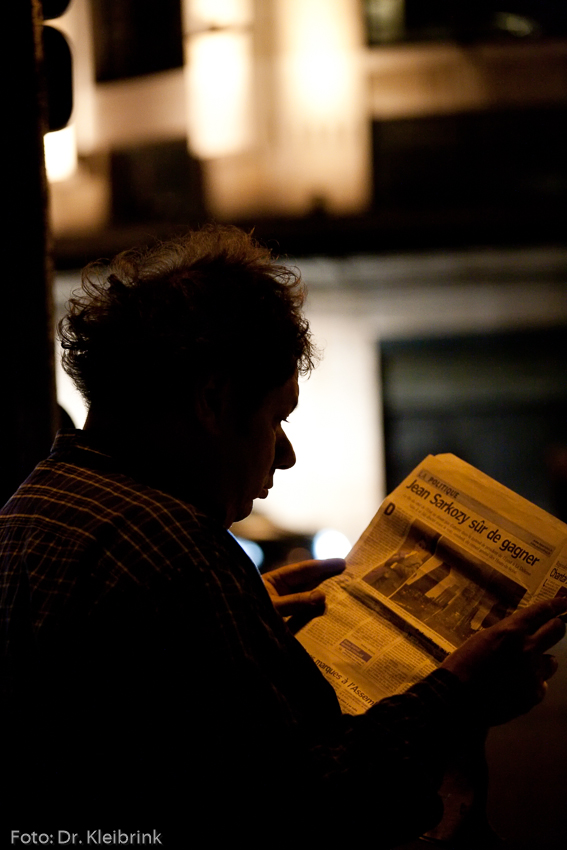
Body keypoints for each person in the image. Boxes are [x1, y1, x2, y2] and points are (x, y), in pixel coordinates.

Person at [1, 225, 565, 848]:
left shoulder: (36, 505)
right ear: (213, 401)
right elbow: (301, 810)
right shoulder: (173, 550)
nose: (286, 456)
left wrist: (238, 622)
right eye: (277, 418)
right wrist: (460, 694)